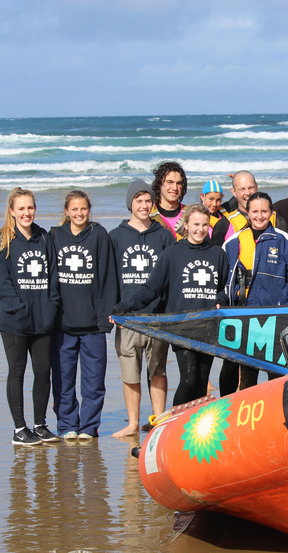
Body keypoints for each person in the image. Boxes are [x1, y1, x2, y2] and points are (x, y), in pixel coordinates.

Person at [113, 204, 228, 405]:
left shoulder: (217, 254)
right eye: (195, 224)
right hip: (181, 326)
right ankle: (172, 421)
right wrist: (122, 307)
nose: (200, 229)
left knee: (201, 383)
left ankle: (194, 430)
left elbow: (223, 290)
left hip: (208, 327)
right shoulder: (172, 254)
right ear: (185, 225)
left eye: (204, 225)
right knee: (188, 378)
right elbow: (151, 289)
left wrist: (220, 301)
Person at [0, 188, 61, 445]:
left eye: (30, 207)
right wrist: (19, 309)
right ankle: (20, 429)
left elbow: (53, 275)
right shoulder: (2, 240)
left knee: (43, 371)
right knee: (17, 371)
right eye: (21, 208)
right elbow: (0, 282)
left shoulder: (43, 237)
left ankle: (40, 425)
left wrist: (51, 306)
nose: (26, 212)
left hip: (43, 318)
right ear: (12, 212)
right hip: (14, 321)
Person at [108, 180, 174, 438]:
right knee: (130, 373)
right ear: (130, 204)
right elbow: (109, 277)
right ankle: (133, 423)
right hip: (128, 318)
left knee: (158, 370)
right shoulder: (115, 236)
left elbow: (171, 277)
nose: (144, 206)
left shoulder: (163, 235)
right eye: (139, 201)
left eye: (148, 201)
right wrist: (112, 310)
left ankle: (157, 420)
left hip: (156, 316)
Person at [50, 190, 117, 440]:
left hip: (92, 326)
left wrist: (105, 317)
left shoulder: (99, 235)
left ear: (89, 210)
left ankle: (89, 427)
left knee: (94, 381)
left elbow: (109, 278)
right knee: (63, 379)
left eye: (83, 209)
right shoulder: (55, 236)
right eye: (74, 209)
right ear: (66, 211)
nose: (79, 213)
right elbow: (49, 280)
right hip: (63, 324)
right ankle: (67, 425)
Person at [223, 192, 288, 391]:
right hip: (244, 322)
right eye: (254, 211)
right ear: (247, 212)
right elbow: (224, 284)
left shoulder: (285, 242)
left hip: (277, 323)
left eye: (264, 211)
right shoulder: (233, 243)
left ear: (271, 213)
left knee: (278, 377)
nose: (259, 216)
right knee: (245, 378)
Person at [210, 171, 280, 246]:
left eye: (251, 188)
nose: (247, 193)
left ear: (256, 187)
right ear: (234, 192)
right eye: (242, 189)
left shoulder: (276, 220)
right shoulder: (224, 225)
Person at [150, 161, 188, 239]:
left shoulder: (190, 213)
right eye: (170, 182)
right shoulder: (148, 215)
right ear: (159, 184)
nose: (175, 188)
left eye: (179, 183)